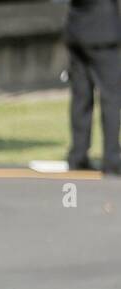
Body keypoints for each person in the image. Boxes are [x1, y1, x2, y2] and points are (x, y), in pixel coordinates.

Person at [65, 0, 121, 174]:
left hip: (76, 30)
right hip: (103, 31)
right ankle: (112, 158)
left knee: (81, 96)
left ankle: (78, 155)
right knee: (111, 98)